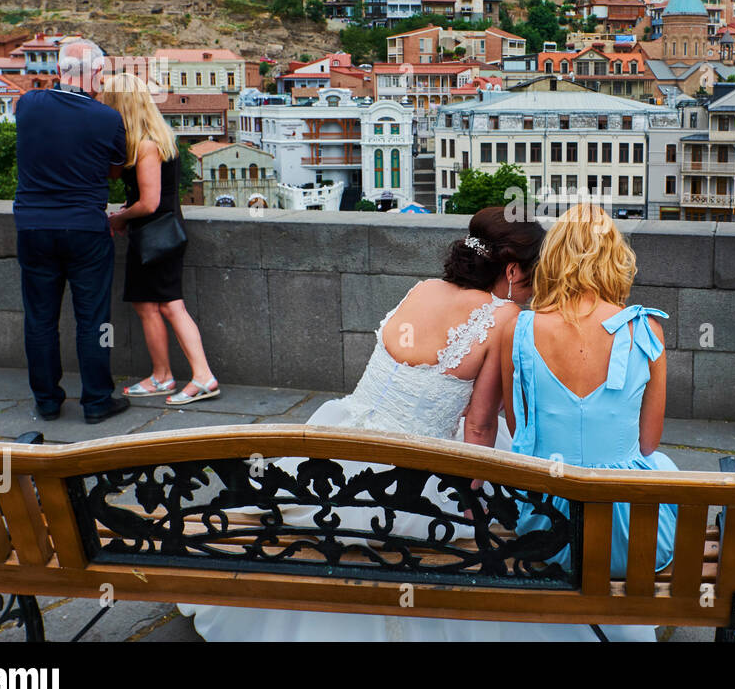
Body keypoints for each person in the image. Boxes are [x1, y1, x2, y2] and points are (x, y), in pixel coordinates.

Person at [180, 207, 552, 641]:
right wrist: (473, 498)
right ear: (511, 269)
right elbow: (480, 428)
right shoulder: (504, 318)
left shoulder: (423, 289)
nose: (536, 286)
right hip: (409, 472)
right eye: (535, 274)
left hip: (340, 443)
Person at [501, 203, 675, 643]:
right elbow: (649, 443)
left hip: (547, 533)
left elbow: (522, 428)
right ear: (616, 259)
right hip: (630, 539)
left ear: (554, 258)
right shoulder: (648, 330)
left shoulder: (519, 331)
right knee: (662, 465)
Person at [13, 40, 131, 424]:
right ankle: (97, 401)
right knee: (95, 320)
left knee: (40, 318)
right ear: (96, 73)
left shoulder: (28, 105)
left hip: (33, 226)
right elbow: (114, 168)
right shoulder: (108, 119)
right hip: (85, 228)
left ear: (59, 69)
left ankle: (46, 401)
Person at [101, 73, 217, 405]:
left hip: (156, 235)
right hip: (156, 234)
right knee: (148, 304)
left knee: (170, 306)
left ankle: (202, 376)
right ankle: (162, 376)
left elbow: (150, 203)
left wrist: (120, 217)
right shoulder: (158, 137)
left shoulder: (147, 144)